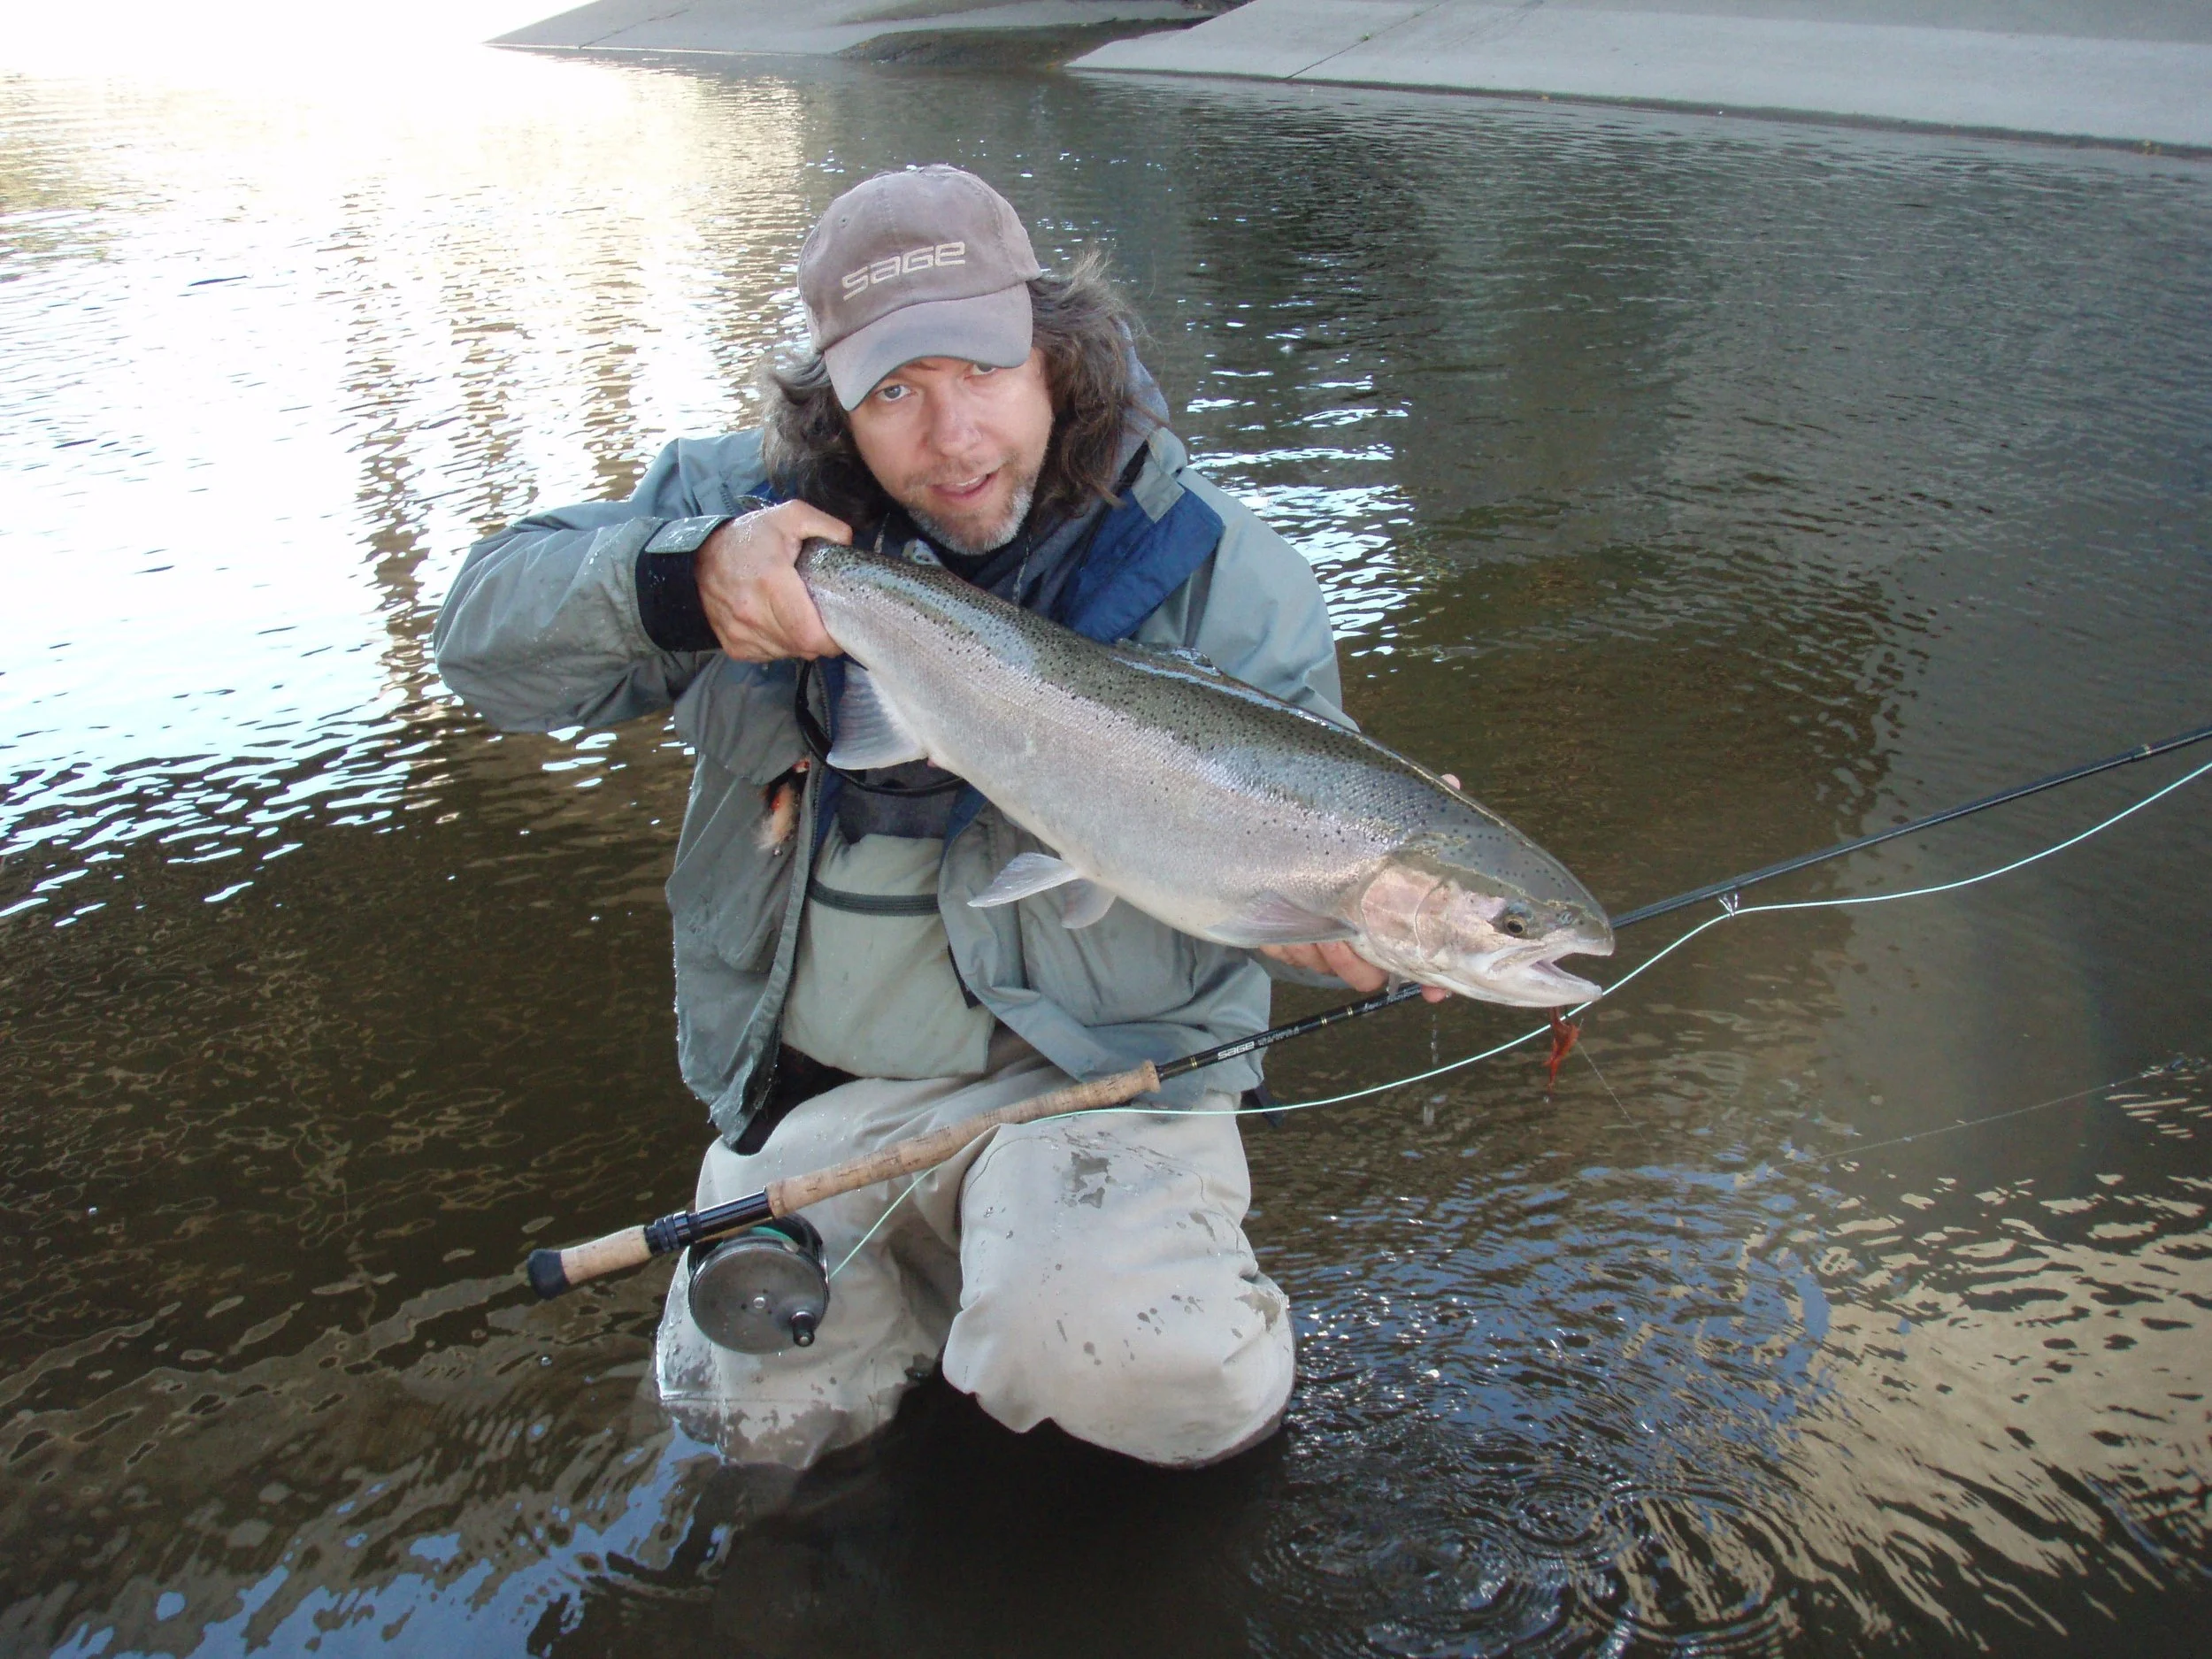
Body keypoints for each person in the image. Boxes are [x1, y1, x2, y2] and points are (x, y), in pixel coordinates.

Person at [434, 165, 1437, 1471]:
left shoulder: (1218, 569)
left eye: (980, 370)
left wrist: (1324, 911)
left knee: (1125, 1355)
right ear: (837, 401)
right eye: (895, 391)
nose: (950, 436)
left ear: (1053, 355)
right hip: (832, 1115)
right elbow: (477, 638)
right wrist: (678, 584)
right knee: (743, 1410)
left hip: (1109, 1085)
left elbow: (1321, 791)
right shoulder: (739, 507)